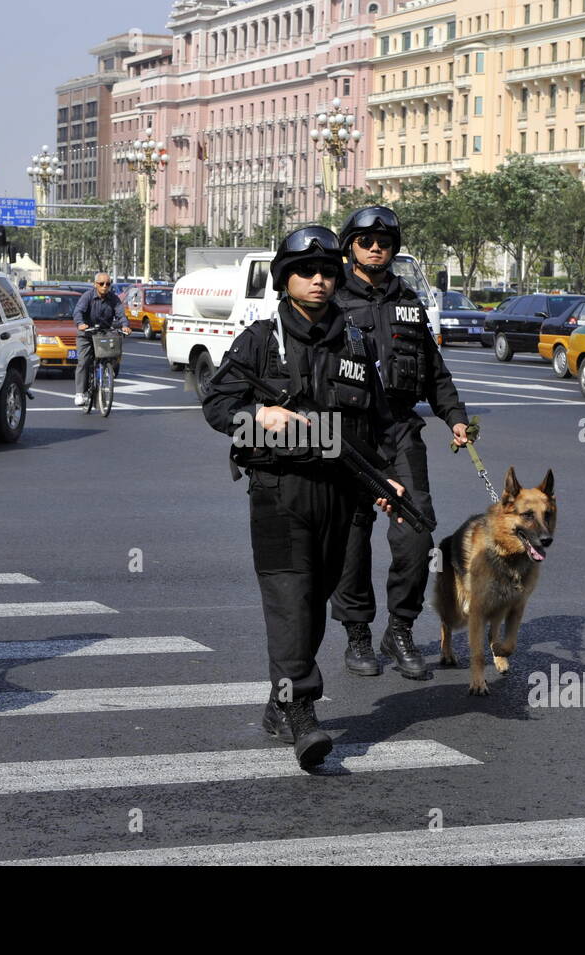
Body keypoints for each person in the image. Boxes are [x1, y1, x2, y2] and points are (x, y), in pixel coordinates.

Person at [202, 226, 405, 769]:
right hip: (279, 492)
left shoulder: (357, 342)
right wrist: (257, 414)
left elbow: (378, 423)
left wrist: (388, 478)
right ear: (284, 280)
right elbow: (217, 406)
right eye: (305, 272)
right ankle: (303, 715)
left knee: (313, 608)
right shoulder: (261, 340)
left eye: (327, 273)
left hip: (342, 494)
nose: (318, 280)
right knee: (291, 601)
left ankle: (279, 700)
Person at [329, 206, 470, 680]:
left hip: (400, 432)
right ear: (350, 245)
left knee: (416, 534)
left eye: (385, 241)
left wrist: (455, 418)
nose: (376, 247)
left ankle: (401, 629)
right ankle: (357, 635)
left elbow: (434, 370)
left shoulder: (408, 301)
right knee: (351, 539)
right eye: (366, 240)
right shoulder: (328, 297)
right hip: (347, 436)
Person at [72, 272, 129, 405]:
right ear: (95, 284)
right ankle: (80, 392)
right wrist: (80, 324)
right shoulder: (87, 297)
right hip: (86, 333)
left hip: (103, 333)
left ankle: (107, 374)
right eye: (101, 284)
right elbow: (78, 312)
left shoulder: (114, 298)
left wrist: (125, 326)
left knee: (113, 354)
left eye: (108, 284)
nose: (104, 286)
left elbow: (121, 314)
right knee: (84, 361)